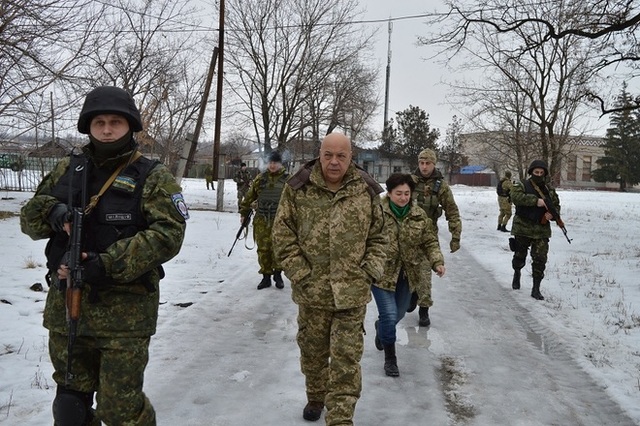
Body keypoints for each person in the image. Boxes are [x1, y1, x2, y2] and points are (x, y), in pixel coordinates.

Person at [19, 86, 188, 425]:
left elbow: (168, 235)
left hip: (124, 317)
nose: (107, 129)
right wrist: (54, 211)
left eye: (115, 122)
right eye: (99, 122)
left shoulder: (152, 176)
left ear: (130, 126)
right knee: (69, 408)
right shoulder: (68, 169)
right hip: (68, 311)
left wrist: (106, 264)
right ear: (88, 126)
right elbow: (29, 220)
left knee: (120, 410)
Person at [272, 132, 386, 425]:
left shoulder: (366, 190)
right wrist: (301, 274)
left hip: (352, 293)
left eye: (341, 156)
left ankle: (340, 417)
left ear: (351, 158)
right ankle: (316, 394)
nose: (334, 162)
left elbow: (381, 236)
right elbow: (282, 235)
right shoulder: (298, 188)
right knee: (313, 354)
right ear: (319, 154)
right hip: (313, 292)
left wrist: (368, 272)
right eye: (328, 155)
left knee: (346, 360)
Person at [373, 173, 445, 377]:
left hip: (406, 275)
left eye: (407, 193)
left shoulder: (419, 215)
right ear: (389, 193)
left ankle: (382, 329)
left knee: (400, 313)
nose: (403, 198)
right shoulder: (377, 212)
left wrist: (437, 261)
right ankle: (390, 359)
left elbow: (429, 242)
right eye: (398, 193)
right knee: (388, 314)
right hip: (381, 273)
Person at [410, 148, 461, 326]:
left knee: (425, 273)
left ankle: (424, 309)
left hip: (428, 236)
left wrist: (456, 235)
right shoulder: (409, 182)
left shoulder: (440, 186)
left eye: (428, 163)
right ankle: (411, 294)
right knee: (405, 273)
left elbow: (452, 211)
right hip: (407, 236)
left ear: (434, 164)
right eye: (421, 163)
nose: (424, 167)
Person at [510, 160, 561, 300]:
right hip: (523, 227)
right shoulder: (522, 185)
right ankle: (517, 272)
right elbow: (515, 197)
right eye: (536, 172)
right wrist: (535, 201)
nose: (538, 175)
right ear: (531, 172)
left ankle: (536, 288)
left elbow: (556, 205)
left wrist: (552, 214)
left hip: (541, 230)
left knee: (540, 259)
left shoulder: (548, 189)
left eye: (541, 172)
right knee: (520, 255)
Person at [239, 151, 289, 290]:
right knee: (263, 249)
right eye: (270, 163)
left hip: (281, 221)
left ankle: (278, 275)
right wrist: (243, 213)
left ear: (280, 164)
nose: (272, 165)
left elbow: (296, 201)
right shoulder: (260, 179)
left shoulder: (288, 180)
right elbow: (249, 198)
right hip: (262, 220)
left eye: (275, 163)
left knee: (279, 249)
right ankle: (266, 277)